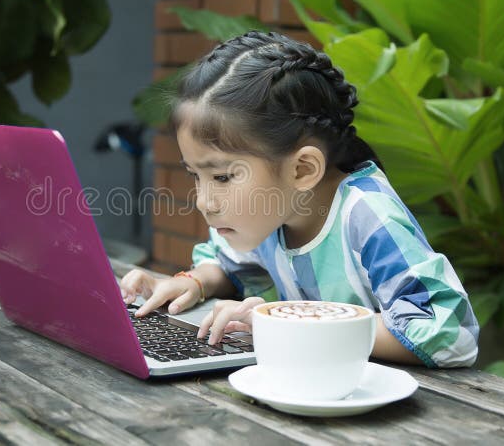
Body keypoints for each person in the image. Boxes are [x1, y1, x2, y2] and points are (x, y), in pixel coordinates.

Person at [120, 31, 478, 367]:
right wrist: (192, 283)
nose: (204, 201)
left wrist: (287, 323)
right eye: (195, 175)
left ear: (303, 169)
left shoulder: (365, 215)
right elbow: (227, 262)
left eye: (223, 177)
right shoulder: (272, 215)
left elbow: (445, 331)